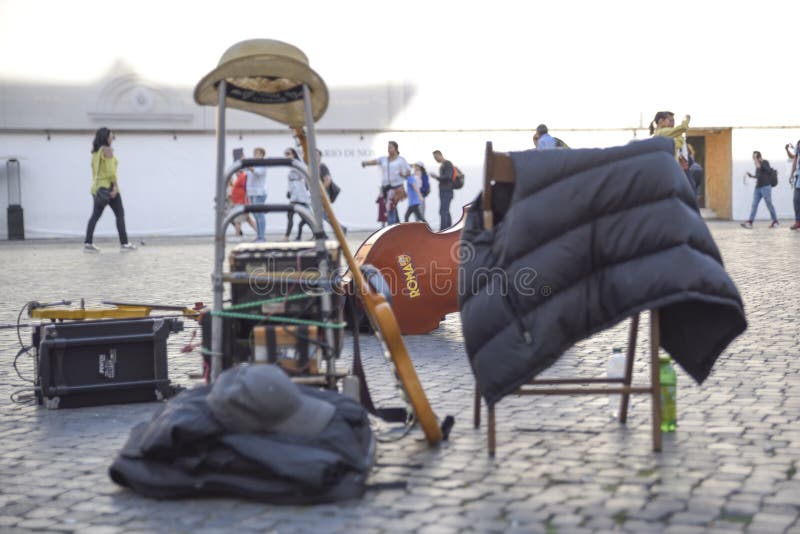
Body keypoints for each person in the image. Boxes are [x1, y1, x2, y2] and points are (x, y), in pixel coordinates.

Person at [83, 127, 136, 253]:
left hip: (97, 189)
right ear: (106, 137)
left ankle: (88, 244)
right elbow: (111, 172)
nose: (112, 138)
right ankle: (124, 244)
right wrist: (115, 187)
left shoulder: (95, 153)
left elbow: (96, 172)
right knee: (120, 214)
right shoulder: (107, 150)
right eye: (111, 136)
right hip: (109, 188)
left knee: (95, 216)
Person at [361, 141, 410, 226]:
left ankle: (390, 228)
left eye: (390, 147)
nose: (388, 149)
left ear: (396, 148)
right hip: (386, 188)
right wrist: (365, 163)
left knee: (390, 207)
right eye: (388, 147)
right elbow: (375, 161)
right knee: (392, 207)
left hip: (397, 188)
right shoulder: (384, 159)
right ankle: (397, 227)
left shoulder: (401, 160)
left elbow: (408, 171)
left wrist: (404, 174)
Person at [741, 151, 779, 229]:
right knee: (754, 205)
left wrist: (758, 162)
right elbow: (759, 176)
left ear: (758, 157)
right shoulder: (757, 165)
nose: (753, 160)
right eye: (753, 158)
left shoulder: (765, 162)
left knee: (769, 204)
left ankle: (775, 221)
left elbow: (768, 170)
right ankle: (750, 222)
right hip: (758, 188)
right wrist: (751, 176)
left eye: (754, 158)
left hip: (766, 187)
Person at [284, 148, 311, 241]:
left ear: (294, 154)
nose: (287, 156)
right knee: (295, 215)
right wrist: (289, 191)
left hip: (299, 195)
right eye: (286, 154)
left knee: (305, 217)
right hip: (294, 194)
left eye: (288, 154)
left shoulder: (298, 164)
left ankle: (319, 234)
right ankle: (287, 236)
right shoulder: (292, 165)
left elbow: (303, 176)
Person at [228, 150, 256, 237]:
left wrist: (245, 201)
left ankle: (237, 236)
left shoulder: (243, 177)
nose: (236, 173)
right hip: (239, 202)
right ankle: (259, 233)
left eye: (237, 171)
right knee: (248, 219)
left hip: (241, 202)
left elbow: (246, 189)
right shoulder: (239, 178)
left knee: (238, 220)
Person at [430, 150, 455, 230]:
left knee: (443, 211)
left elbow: (448, 177)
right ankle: (449, 229)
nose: (435, 159)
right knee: (445, 210)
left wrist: (436, 177)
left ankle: (444, 230)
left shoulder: (447, 164)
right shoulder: (443, 165)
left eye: (435, 157)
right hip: (444, 191)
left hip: (447, 191)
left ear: (440, 155)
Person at [246, 147, 267, 241]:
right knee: (255, 215)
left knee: (260, 215)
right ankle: (259, 236)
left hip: (259, 193)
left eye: (258, 153)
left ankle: (262, 237)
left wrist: (250, 167)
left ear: (262, 155)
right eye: (254, 153)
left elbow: (257, 173)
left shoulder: (263, 165)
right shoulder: (253, 164)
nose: (255, 155)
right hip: (251, 193)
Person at [784, 139, 800, 230]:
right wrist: (791, 174)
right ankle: (798, 222)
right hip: (798, 176)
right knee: (796, 200)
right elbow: (794, 158)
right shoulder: (798, 144)